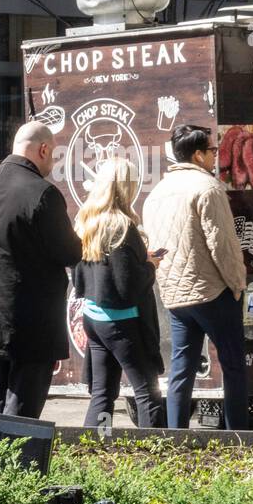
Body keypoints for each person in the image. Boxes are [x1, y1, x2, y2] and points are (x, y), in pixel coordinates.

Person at [0, 121, 82, 424]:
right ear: (43, 149)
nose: (52, 163)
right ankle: (14, 466)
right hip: (34, 315)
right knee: (24, 401)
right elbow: (69, 253)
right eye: (52, 155)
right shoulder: (43, 193)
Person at [142, 124, 248, 430]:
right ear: (199, 155)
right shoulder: (208, 188)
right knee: (233, 366)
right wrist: (238, 283)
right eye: (213, 151)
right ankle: (240, 438)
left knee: (181, 368)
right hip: (212, 291)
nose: (216, 156)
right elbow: (222, 244)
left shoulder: (157, 193)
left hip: (175, 294)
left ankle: (177, 436)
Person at [72, 158, 167, 430]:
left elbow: (92, 271)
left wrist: (138, 260)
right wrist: (149, 265)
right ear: (126, 187)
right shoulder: (122, 225)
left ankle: (94, 447)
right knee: (147, 391)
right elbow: (128, 286)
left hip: (94, 316)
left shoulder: (87, 220)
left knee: (102, 392)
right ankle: (157, 457)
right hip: (123, 321)